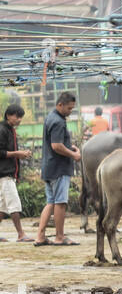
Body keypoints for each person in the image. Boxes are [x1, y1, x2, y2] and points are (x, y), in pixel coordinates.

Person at [35, 92, 80, 246]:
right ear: (60, 105)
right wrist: (73, 155)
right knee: (60, 203)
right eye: (69, 108)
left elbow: (56, 143)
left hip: (49, 167)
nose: (70, 111)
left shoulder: (50, 117)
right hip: (59, 168)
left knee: (51, 202)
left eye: (72, 109)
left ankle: (40, 236)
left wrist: (69, 147)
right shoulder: (58, 121)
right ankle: (59, 237)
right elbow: (56, 146)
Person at [0, 104, 34, 242]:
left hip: (8, 174)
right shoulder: (2, 130)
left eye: (21, 117)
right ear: (8, 115)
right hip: (4, 174)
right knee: (14, 204)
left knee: (1, 207)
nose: (19, 119)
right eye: (17, 116)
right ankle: (20, 234)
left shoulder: (10, 130)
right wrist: (17, 154)